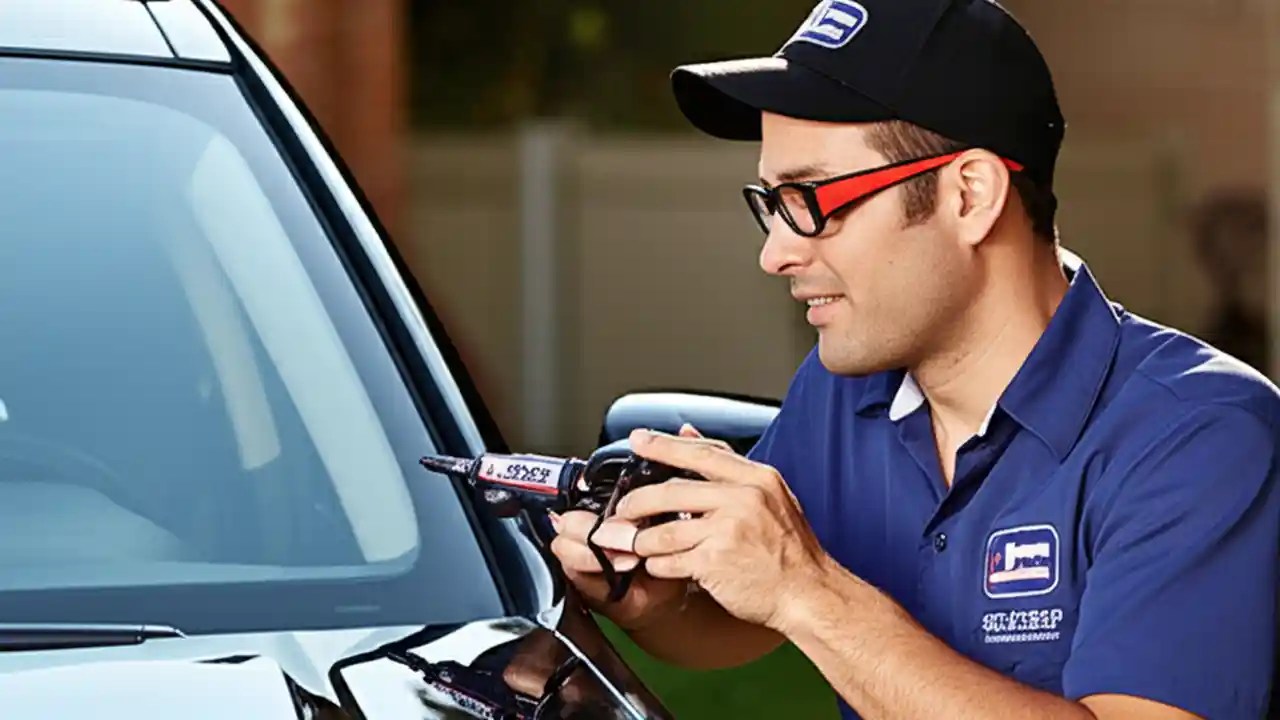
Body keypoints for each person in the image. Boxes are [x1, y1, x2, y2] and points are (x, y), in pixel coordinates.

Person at [548, 0, 1280, 718]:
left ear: (970, 195)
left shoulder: (1198, 436)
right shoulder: (847, 394)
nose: (775, 253)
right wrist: (652, 601)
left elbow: (797, 596)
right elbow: (746, 618)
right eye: (770, 202)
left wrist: (813, 593)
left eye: (810, 198)